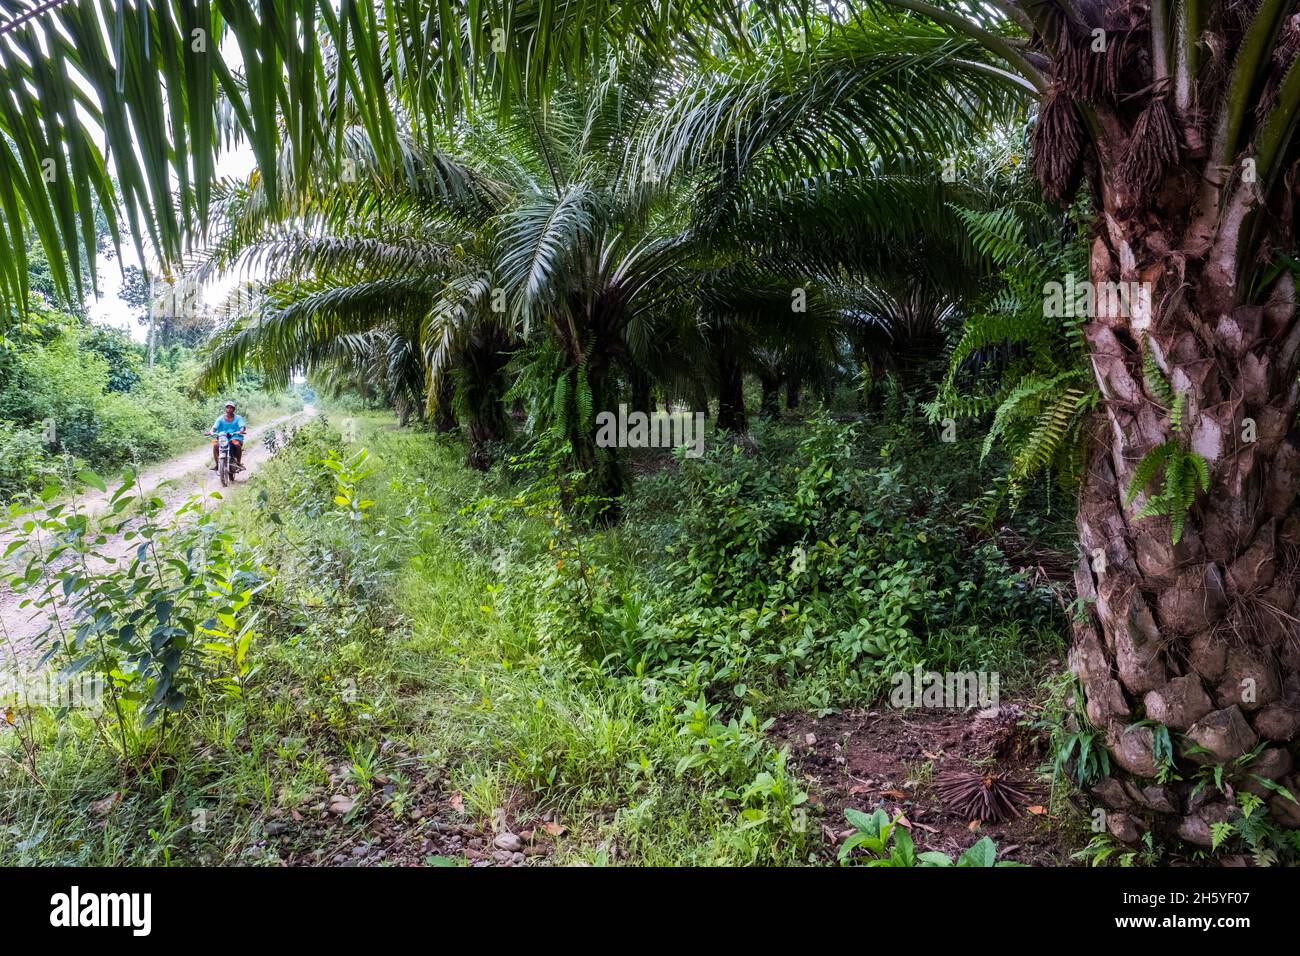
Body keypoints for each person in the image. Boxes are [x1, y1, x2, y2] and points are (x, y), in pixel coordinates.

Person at [208, 401, 247, 470]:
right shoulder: (220, 418)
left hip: (235, 437)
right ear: (225, 409)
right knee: (215, 445)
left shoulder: (238, 418)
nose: (229, 409)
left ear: (234, 409)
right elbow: (214, 427)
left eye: (231, 408)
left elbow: (242, 426)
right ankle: (217, 464)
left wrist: (241, 430)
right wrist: (211, 432)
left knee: (237, 445)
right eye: (227, 407)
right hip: (223, 438)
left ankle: (238, 463)